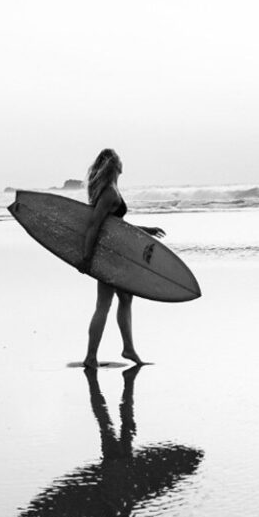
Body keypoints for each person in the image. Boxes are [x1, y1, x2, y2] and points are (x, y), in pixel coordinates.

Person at [76, 149, 165, 368]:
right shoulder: (109, 193)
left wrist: (145, 231)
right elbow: (94, 226)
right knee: (103, 305)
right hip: (110, 257)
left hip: (115, 253)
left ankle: (128, 348)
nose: (123, 162)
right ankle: (90, 356)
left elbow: (115, 227)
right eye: (120, 159)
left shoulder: (111, 191)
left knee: (125, 299)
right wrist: (87, 258)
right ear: (115, 165)